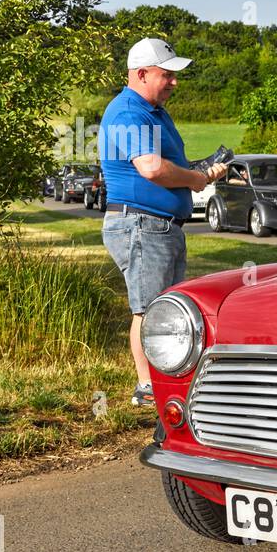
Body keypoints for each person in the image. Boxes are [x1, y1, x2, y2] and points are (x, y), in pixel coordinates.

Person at [99, 38, 227, 406]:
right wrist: (195, 179)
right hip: (140, 223)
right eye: (166, 75)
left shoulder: (153, 111)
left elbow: (168, 166)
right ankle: (148, 387)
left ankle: (167, 380)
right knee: (149, 308)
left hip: (159, 224)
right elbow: (152, 168)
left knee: (167, 308)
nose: (174, 82)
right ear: (141, 74)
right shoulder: (128, 112)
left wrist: (200, 172)